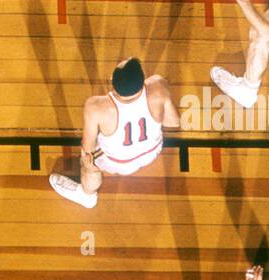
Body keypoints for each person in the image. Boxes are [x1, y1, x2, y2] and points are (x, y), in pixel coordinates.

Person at [48, 57, 181, 209]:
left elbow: (88, 149)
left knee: (87, 161)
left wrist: (87, 164)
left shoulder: (96, 106)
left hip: (117, 162)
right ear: (143, 78)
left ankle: (87, 196)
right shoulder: (158, 85)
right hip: (151, 151)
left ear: (111, 80)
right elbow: (173, 122)